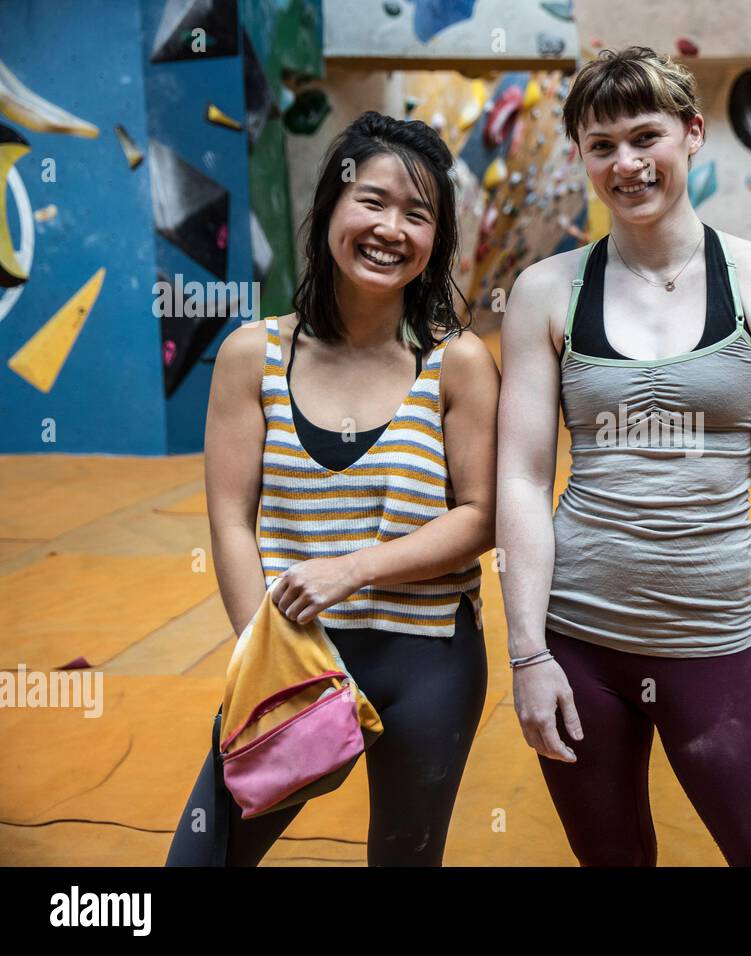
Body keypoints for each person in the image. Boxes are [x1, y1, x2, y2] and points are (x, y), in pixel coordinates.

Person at [496, 47, 751, 867]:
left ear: (692, 133)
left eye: (646, 136)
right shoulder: (546, 291)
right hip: (579, 643)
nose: (627, 163)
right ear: (581, 156)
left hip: (712, 640)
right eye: (601, 144)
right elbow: (523, 478)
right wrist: (529, 653)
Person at [166, 111, 500, 866]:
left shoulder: (459, 363)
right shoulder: (253, 355)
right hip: (292, 653)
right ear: (329, 211)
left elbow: (482, 516)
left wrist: (353, 569)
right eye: (373, 201)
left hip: (429, 661)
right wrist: (268, 655)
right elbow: (228, 518)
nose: (392, 229)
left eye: (419, 215)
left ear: (436, 242)